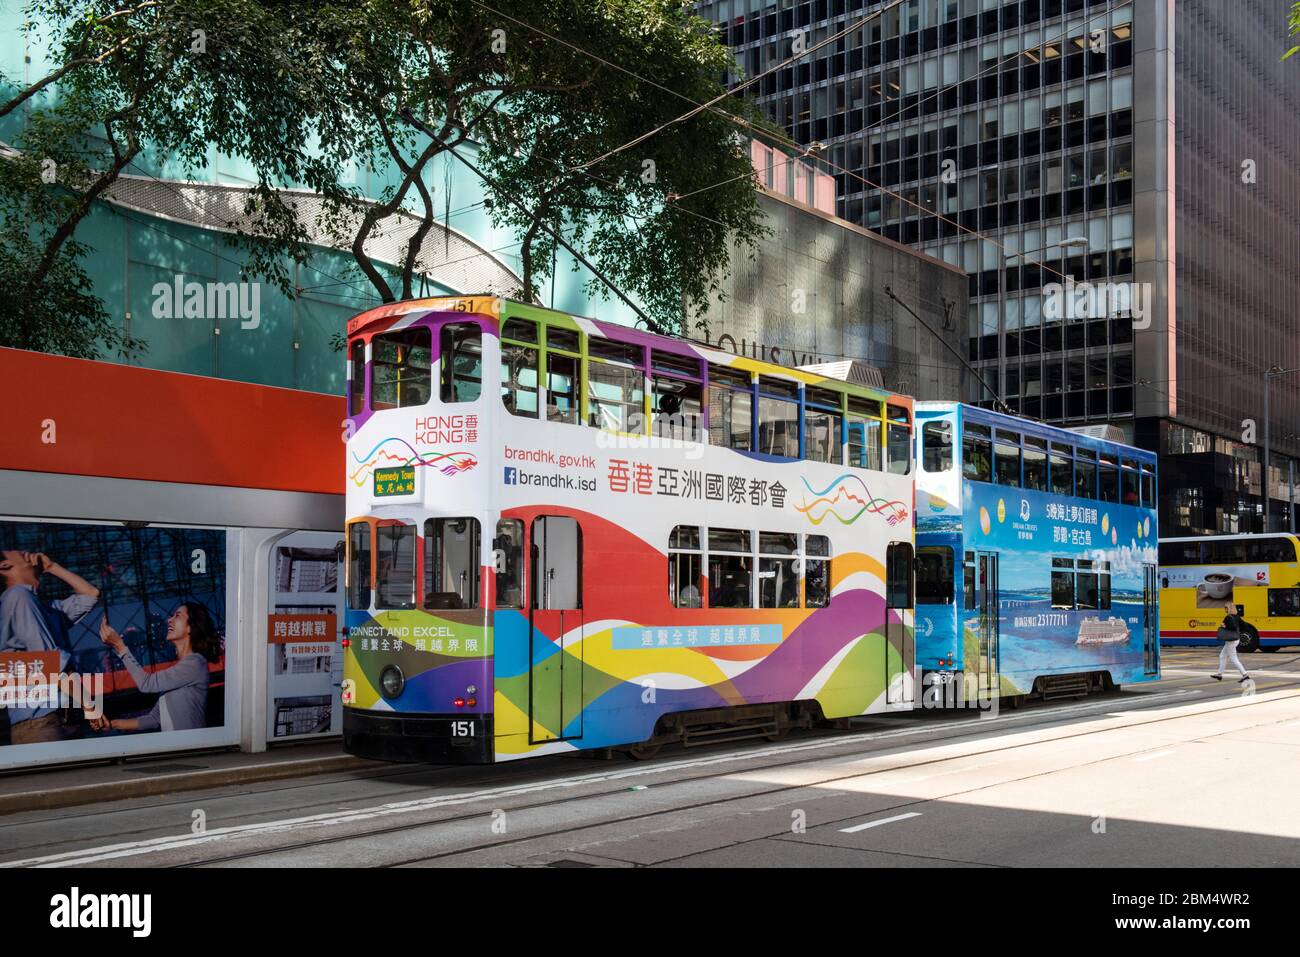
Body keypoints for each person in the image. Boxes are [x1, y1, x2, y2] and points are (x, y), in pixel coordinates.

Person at [0, 550, 98, 744]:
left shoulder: (42, 606)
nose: (27, 552)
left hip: (56, 718)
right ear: (4, 566)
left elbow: (91, 595)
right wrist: (90, 705)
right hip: (39, 723)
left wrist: (52, 567)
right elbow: (52, 662)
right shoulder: (18, 596)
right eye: (19, 552)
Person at [93, 602, 219, 733]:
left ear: (191, 627)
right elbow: (154, 719)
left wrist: (120, 647)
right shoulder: (183, 669)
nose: (169, 619)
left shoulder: (195, 663)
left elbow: (146, 683)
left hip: (191, 747)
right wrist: (112, 724)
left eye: (177, 616)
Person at [1212, 600, 1251, 684]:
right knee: (1222, 655)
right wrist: (1239, 632)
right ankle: (1219, 674)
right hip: (1235, 640)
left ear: (1228, 608)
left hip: (1231, 641)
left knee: (1234, 659)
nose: (1224, 609)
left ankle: (1245, 675)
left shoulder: (1228, 617)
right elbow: (1245, 626)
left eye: (1225, 608)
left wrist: (1224, 626)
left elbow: (1232, 627)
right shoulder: (1237, 617)